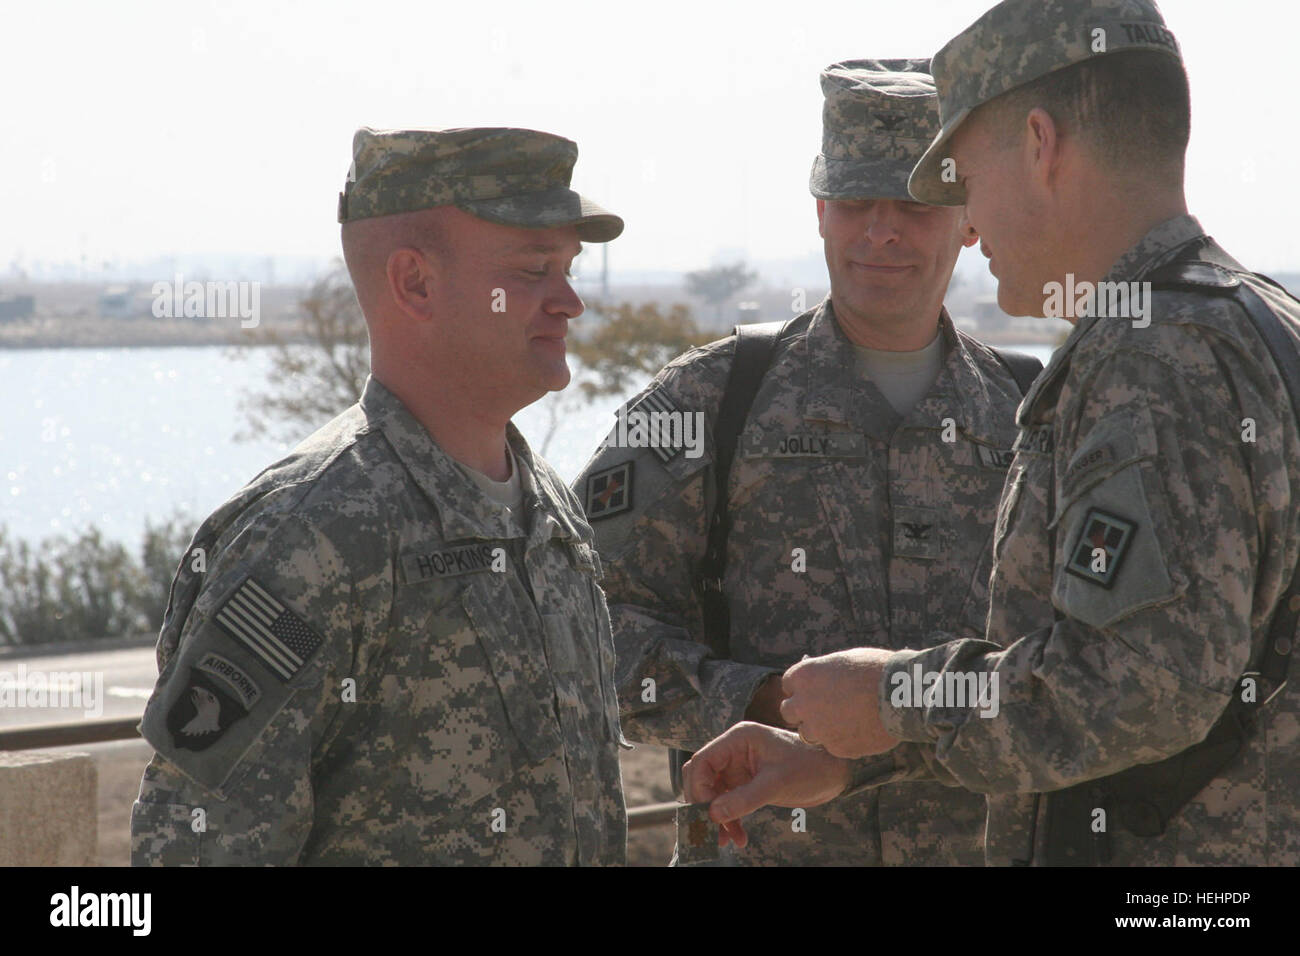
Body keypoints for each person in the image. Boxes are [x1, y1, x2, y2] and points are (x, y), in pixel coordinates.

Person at [684, 0, 1300, 867]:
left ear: (1041, 147)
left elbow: (1139, 689)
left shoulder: (1154, 358)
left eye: (962, 179)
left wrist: (893, 696)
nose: (967, 227)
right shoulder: (1256, 322)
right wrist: (860, 755)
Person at [574, 60, 1037, 865]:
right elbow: (577, 627)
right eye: (856, 202)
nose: (881, 230)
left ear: (968, 218)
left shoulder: (1034, 416)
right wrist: (767, 700)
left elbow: (1085, 666)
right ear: (821, 212)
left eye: (916, 204)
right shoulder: (712, 402)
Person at [130, 126, 631, 865]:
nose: (570, 302)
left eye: (567, 268)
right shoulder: (304, 540)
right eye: (533, 270)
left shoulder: (550, 508)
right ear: (416, 284)